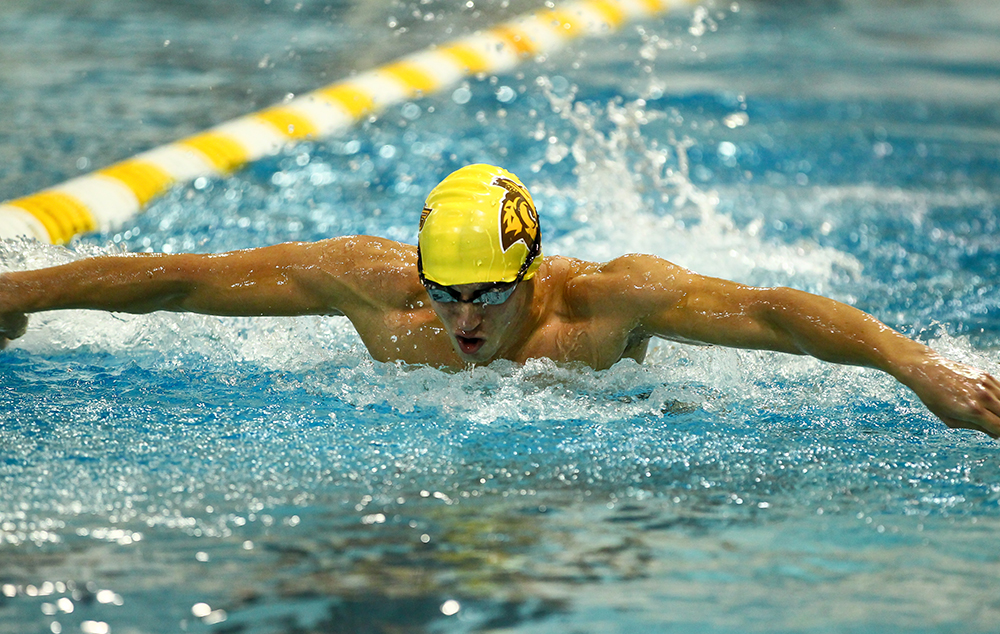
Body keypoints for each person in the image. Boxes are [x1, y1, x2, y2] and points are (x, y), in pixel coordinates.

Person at [1, 164, 999, 436]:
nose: (461, 320)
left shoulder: (607, 306)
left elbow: (776, 311)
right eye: (445, 294)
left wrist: (918, 367)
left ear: (533, 273)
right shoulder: (379, 291)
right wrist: (14, 293)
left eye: (487, 294)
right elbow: (180, 278)